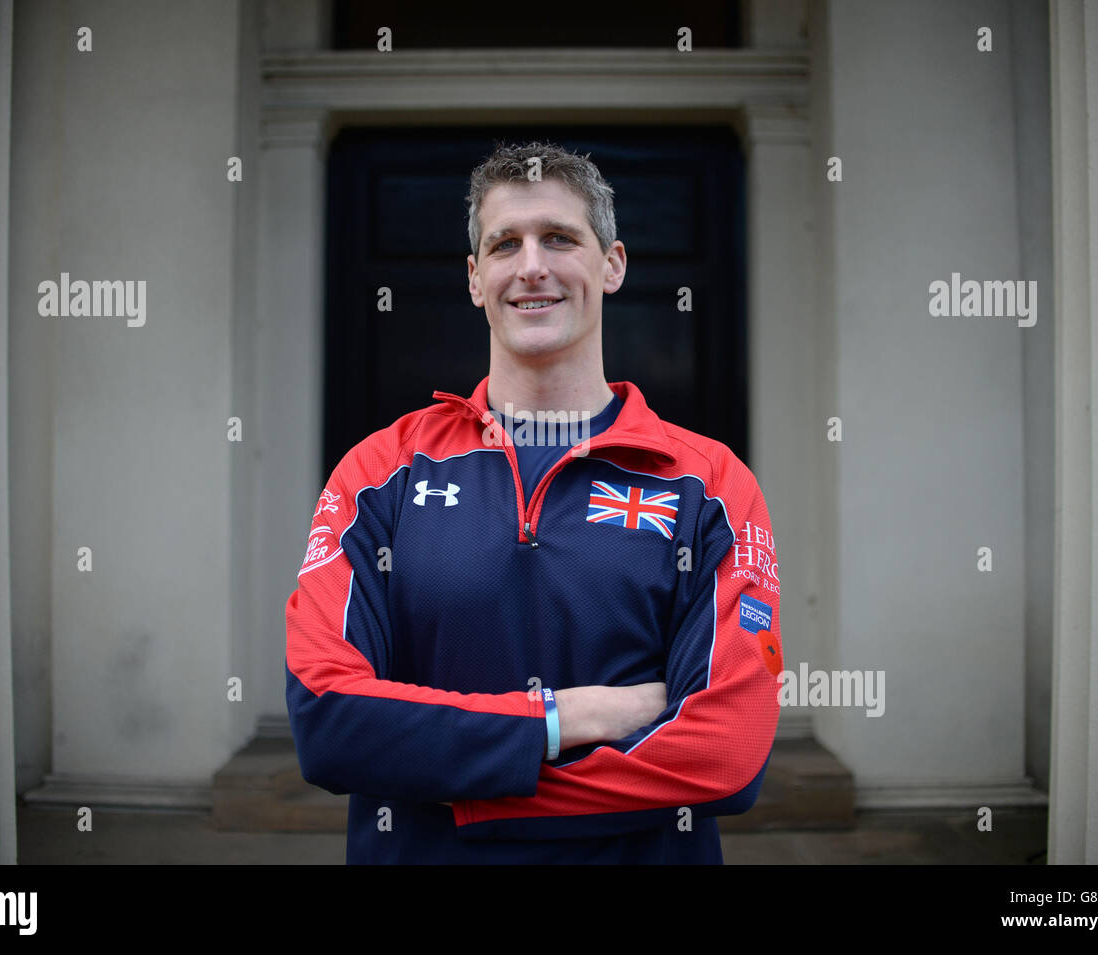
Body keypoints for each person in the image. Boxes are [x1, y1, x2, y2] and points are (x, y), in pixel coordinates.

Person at [285, 141, 783, 864]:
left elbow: (727, 753)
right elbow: (330, 719)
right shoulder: (378, 471)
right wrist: (558, 718)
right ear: (474, 278)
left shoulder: (710, 482)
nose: (531, 266)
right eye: (504, 244)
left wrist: (472, 790)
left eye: (559, 238)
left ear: (612, 264)